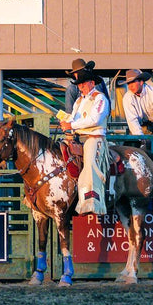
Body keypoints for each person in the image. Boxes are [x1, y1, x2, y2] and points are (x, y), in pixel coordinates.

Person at [59, 68, 110, 215]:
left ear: (91, 83)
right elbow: (73, 117)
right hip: (79, 137)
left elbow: (95, 120)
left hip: (94, 137)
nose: (80, 87)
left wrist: (71, 125)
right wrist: (66, 121)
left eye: (83, 84)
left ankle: (92, 202)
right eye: (79, 84)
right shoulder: (79, 100)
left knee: (90, 163)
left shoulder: (100, 98)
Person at [121, 68, 153, 139]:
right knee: (129, 148)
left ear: (141, 82)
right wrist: (140, 137)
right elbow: (132, 120)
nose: (130, 86)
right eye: (129, 83)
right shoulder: (127, 98)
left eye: (133, 82)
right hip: (139, 128)